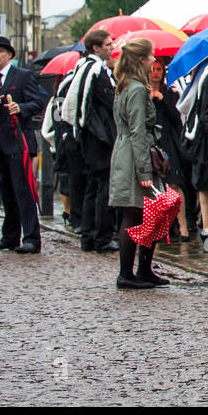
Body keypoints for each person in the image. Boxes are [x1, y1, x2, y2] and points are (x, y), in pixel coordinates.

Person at [0, 36, 49, 254]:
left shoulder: (22, 76)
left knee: (24, 192)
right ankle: (10, 236)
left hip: (19, 144)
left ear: (9, 54)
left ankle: (31, 238)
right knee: (6, 193)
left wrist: (20, 107)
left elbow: (37, 103)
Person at [108, 37, 168, 289]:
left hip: (127, 152)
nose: (155, 60)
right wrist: (144, 170)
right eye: (151, 56)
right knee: (135, 215)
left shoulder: (125, 85)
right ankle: (128, 273)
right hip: (135, 156)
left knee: (145, 215)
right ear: (141, 59)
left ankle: (142, 270)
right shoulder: (136, 89)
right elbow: (138, 132)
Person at [64, 29, 119, 252]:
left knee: (93, 187)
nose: (111, 47)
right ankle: (101, 236)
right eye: (107, 44)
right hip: (99, 138)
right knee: (103, 187)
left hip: (89, 137)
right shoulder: (96, 69)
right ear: (96, 48)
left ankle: (88, 234)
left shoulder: (83, 67)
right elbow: (109, 100)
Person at [179, 53, 208, 249]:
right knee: (207, 190)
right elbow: (207, 111)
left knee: (207, 191)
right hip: (206, 141)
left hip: (203, 140)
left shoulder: (204, 73)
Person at [148, 58, 191, 241]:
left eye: (159, 69)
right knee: (154, 188)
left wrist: (163, 100)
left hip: (168, 142)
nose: (156, 72)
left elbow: (177, 118)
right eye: (153, 69)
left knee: (174, 184)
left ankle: (183, 228)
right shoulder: (141, 92)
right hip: (151, 142)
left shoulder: (170, 92)